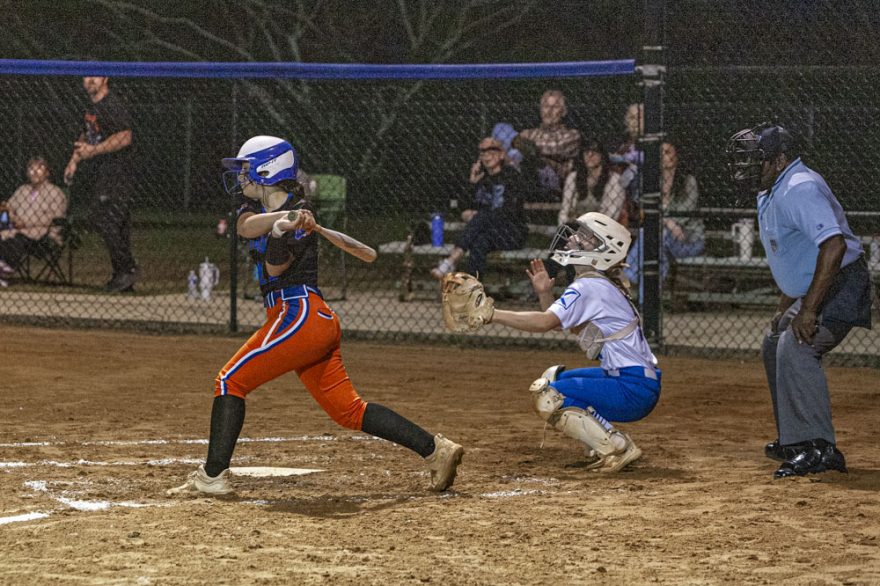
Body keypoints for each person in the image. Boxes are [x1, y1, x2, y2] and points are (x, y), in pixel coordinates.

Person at [168, 135, 464, 496]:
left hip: (299, 314)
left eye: (247, 169)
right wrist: (281, 220)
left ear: (268, 169)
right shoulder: (255, 211)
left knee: (230, 381)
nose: (241, 177)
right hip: (305, 319)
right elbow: (247, 228)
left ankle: (213, 476)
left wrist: (284, 229)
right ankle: (436, 450)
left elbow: (276, 271)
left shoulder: (302, 214)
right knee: (349, 411)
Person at [726, 123, 874, 478]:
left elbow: (834, 246)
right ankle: (796, 441)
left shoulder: (799, 187)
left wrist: (807, 310)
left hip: (842, 282)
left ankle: (821, 448)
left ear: (779, 160)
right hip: (816, 286)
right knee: (774, 341)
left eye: (754, 160)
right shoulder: (772, 188)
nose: (745, 168)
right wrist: (784, 306)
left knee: (797, 346)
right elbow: (795, 256)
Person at [479, 212, 661, 472]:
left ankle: (617, 446)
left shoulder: (589, 287)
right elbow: (572, 328)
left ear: (602, 250)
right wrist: (546, 295)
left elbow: (544, 323)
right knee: (552, 381)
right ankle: (604, 440)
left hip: (633, 388)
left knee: (549, 394)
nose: (573, 238)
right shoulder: (596, 284)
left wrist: (492, 314)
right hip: (636, 382)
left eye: (585, 237)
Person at [63, 76, 137, 293]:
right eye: (86, 76)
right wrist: (74, 161)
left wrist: (93, 151)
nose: (90, 81)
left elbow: (125, 136)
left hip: (119, 172)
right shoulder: (90, 107)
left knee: (103, 218)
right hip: (102, 172)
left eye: (95, 76)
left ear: (105, 78)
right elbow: (87, 134)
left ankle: (127, 268)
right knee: (115, 223)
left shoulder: (112, 104)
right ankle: (123, 275)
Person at [430, 137, 528, 280]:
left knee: (482, 217)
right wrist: (471, 183)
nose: (486, 155)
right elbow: (462, 209)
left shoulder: (511, 176)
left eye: (491, 150)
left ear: (502, 154)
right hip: (484, 232)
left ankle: (451, 261)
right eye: (482, 152)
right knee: (478, 242)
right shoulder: (480, 179)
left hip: (511, 232)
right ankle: (474, 290)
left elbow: (510, 212)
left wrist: (480, 216)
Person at [624, 140, 704, 283]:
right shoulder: (653, 181)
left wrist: (662, 219)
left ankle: (629, 276)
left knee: (652, 236)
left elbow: (685, 212)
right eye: (659, 153)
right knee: (654, 238)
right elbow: (642, 205)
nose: (662, 156)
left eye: (667, 152)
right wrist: (667, 221)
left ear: (677, 156)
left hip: (688, 239)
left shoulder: (688, 181)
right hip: (662, 236)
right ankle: (651, 287)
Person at [0, 157, 68, 285]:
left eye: (40, 168)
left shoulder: (55, 192)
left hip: (44, 235)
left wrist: (25, 223)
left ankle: (5, 272)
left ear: (47, 173)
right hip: (17, 230)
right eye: (31, 168)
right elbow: (8, 207)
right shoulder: (22, 190)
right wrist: (15, 219)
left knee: (16, 238)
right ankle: (3, 269)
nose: (35, 171)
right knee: (9, 235)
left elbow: (55, 218)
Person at [515, 90, 582, 201]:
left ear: (563, 112)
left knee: (521, 154)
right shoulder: (531, 133)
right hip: (529, 180)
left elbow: (556, 148)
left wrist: (525, 146)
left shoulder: (572, 135)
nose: (549, 111)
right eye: (546, 106)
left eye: (555, 107)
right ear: (541, 110)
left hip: (557, 185)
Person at [558, 138, 627, 226]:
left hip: (603, 230)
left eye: (595, 152)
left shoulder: (614, 179)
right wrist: (563, 228)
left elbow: (612, 214)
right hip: (575, 228)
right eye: (586, 152)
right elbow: (565, 209)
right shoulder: (573, 177)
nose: (590, 155)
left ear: (602, 155)